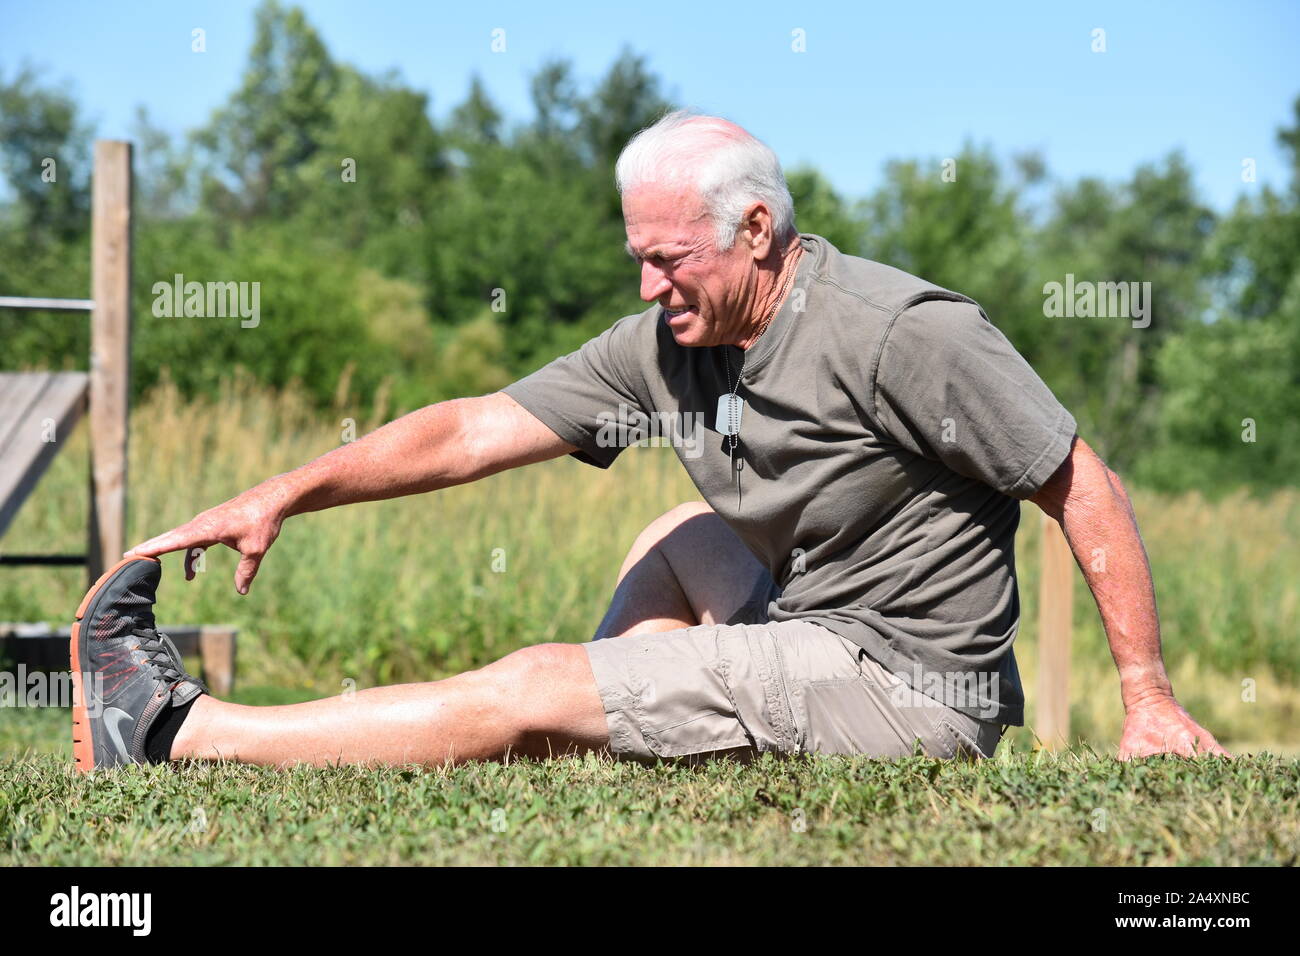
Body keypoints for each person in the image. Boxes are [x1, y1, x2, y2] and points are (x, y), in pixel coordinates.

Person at [71, 110, 1229, 772]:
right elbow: (474, 427)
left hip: (910, 689)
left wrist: (1147, 696)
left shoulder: (900, 334)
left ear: (758, 229)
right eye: (638, 253)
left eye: (668, 256)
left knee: (530, 680)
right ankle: (596, 738)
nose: (645, 280)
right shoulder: (673, 342)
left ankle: (178, 731)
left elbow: (1081, 481)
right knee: (681, 527)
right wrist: (284, 489)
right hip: (813, 624)